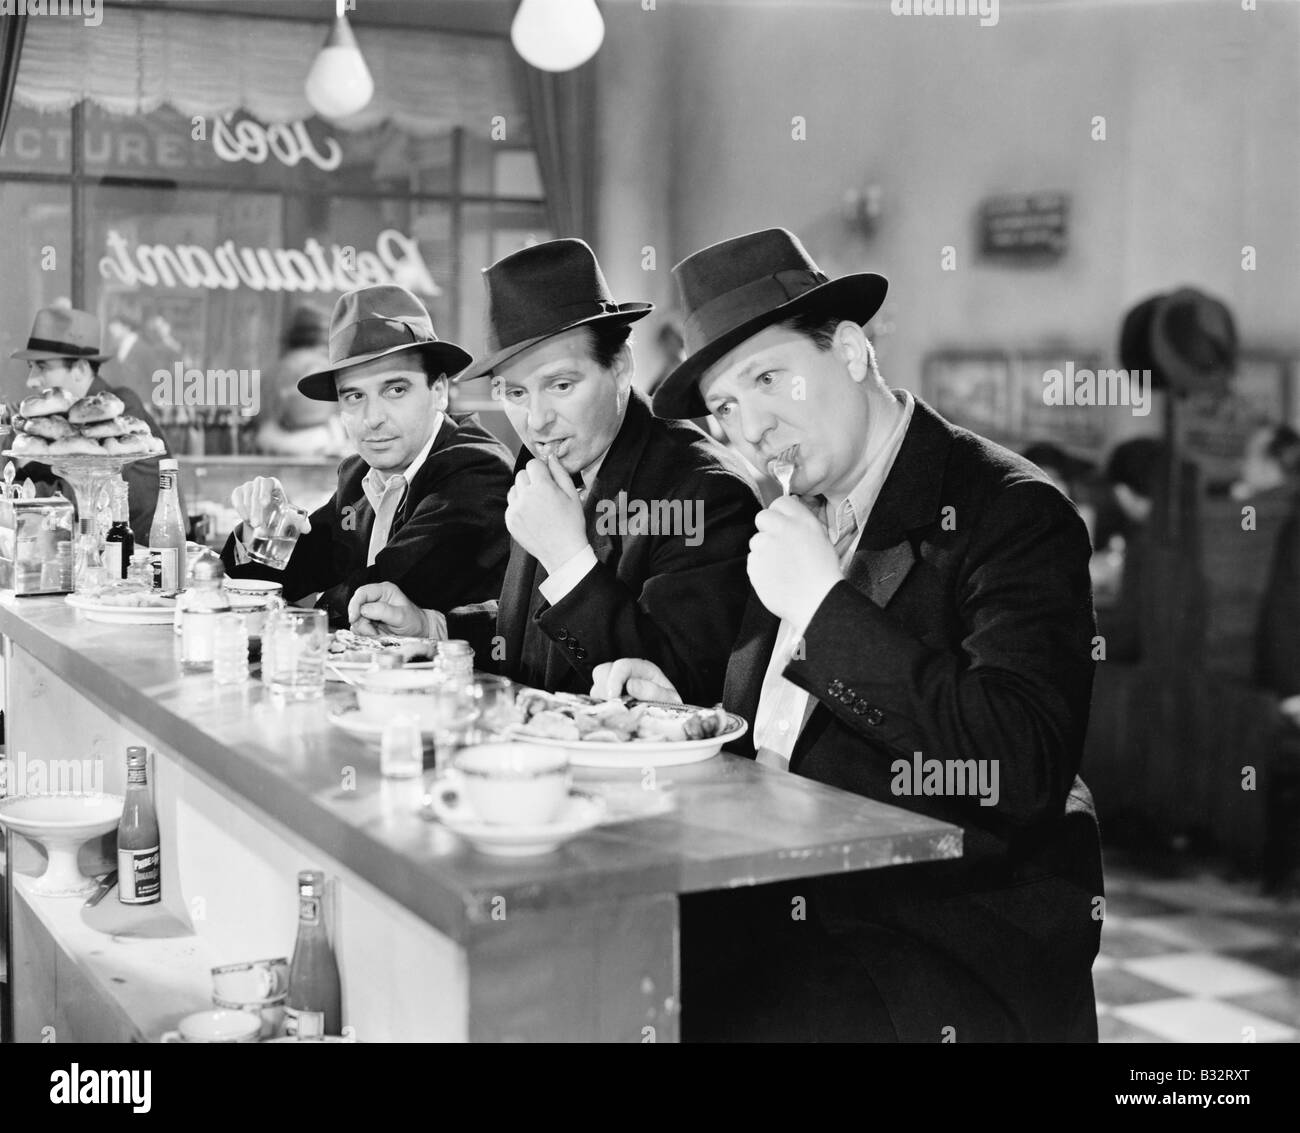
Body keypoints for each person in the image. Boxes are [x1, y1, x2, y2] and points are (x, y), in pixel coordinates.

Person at [596, 228, 1103, 1042]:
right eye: (726, 406)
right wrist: (683, 713)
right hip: (788, 900)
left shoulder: (1011, 511)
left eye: (770, 377)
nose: (751, 426)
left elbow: (1020, 765)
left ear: (854, 352)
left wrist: (826, 604)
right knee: (587, 976)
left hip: (941, 932)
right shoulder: (797, 511)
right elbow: (789, 737)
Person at [347, 238, 760, 703]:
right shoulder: (548, 455)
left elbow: (674, 687)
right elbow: (532, 631)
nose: (537, 420)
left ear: (621, 367)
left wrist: (568, 558)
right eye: (516, 394)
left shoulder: (704, 491)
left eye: (561, 385)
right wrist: (435, 627)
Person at [220, 284, 513, 630]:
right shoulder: (361, 474)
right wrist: (262, 527)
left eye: (395, 390)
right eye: (354, 396)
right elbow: (278, 577)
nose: (372, 417)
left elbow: (379, 592)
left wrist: (309, 606)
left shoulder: (477, 469)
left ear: (439, 392)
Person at [9, 306, 178, 536]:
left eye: (43, 367)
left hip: (152, 553)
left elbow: (74, 497)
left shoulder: (120, 411)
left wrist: (16, 492)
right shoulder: (59, 427)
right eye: (31, 368)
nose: (31, 381)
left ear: (79, 368)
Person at [256, 306, 349, 457]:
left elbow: (262, 416)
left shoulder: (275, 369)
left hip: (273, 442)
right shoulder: (322, 365)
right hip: (318, 443)